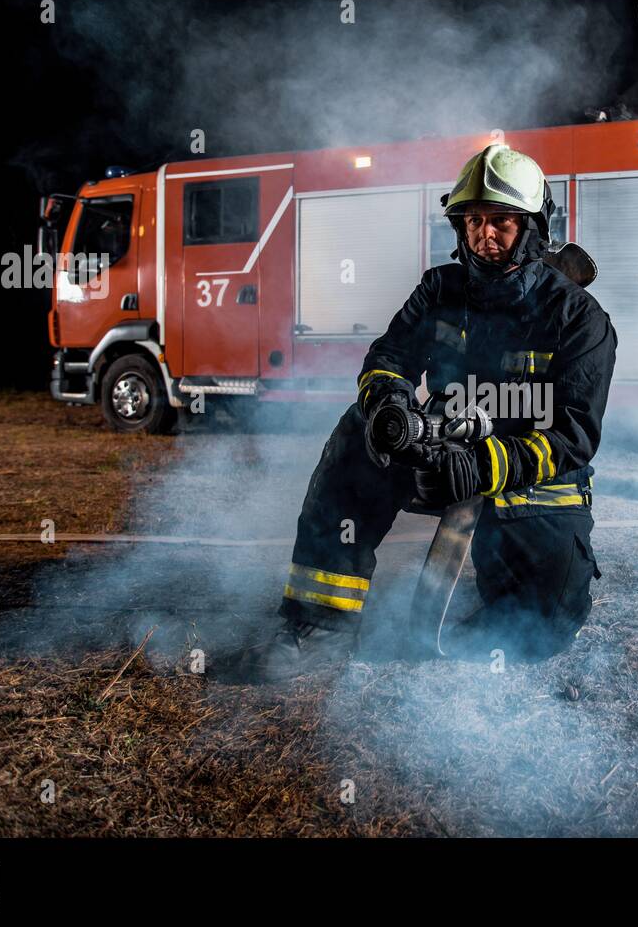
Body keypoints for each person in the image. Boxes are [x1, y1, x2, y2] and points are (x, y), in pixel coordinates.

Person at [240, 143, 617, 677]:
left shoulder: (578, 318)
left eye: (503, 223)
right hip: (440, 459)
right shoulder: (440, 290)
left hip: (529, 484)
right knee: (357, 436)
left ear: (532, 228)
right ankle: (318, 625)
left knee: (539, 629)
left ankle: (498, 582)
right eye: (473, 221)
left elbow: (573, 435)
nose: (484, 235)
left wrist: (484, 465)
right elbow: (387, 359)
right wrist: (389, 406)